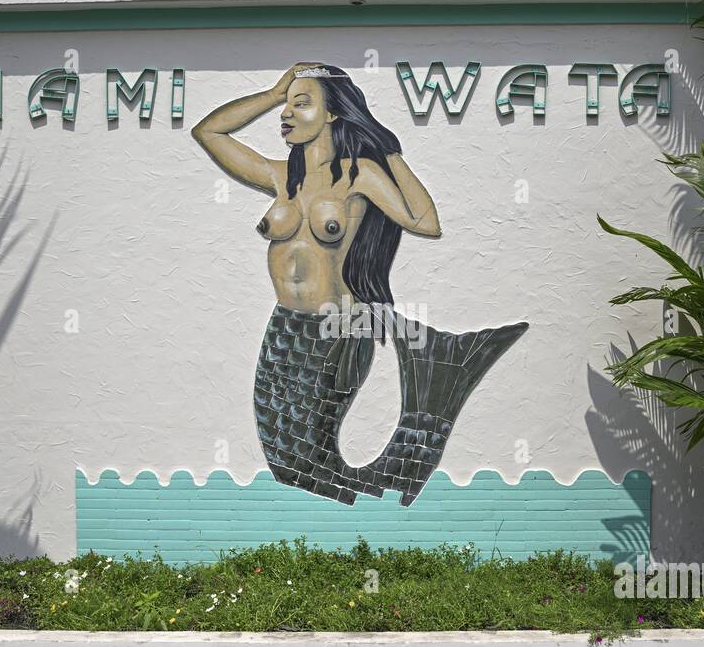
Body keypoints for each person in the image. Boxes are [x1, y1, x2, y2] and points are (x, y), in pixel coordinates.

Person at [193, 63, 526, 505]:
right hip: (284, 327)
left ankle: (425, 413)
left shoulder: (358, 175)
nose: (287, 113)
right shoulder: (282, 177)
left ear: (333, 113)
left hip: (337, 328)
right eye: (287, 106)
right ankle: (437, 384)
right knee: (284, 456)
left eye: (302, 102)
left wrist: (389, 153)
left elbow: (424, 222)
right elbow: (209, 133)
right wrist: (274, 92)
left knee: (309, 459)